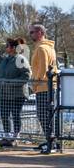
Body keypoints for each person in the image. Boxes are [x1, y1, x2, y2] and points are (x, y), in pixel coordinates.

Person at [0, 37, 31, 148]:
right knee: (4, 115)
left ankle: (15, 137)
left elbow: (26, 76)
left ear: (13, 48)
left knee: (15, 115)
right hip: (4, 94)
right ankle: (7, 136)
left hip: (17, 94)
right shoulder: (5, 60)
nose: (5, 48)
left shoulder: (21, 59)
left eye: (7, 46)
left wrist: (10, 83)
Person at [28, 23, 59, 153]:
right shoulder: (50, 48)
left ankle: (51, 142)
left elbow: (42, 69)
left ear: (40, 32)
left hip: (43, 87)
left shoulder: (41, 49)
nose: (30, 35)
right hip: (51, 86)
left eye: (32, 32)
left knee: (43, 115)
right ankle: (52, 141)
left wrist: (34, 85)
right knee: (50, 115)